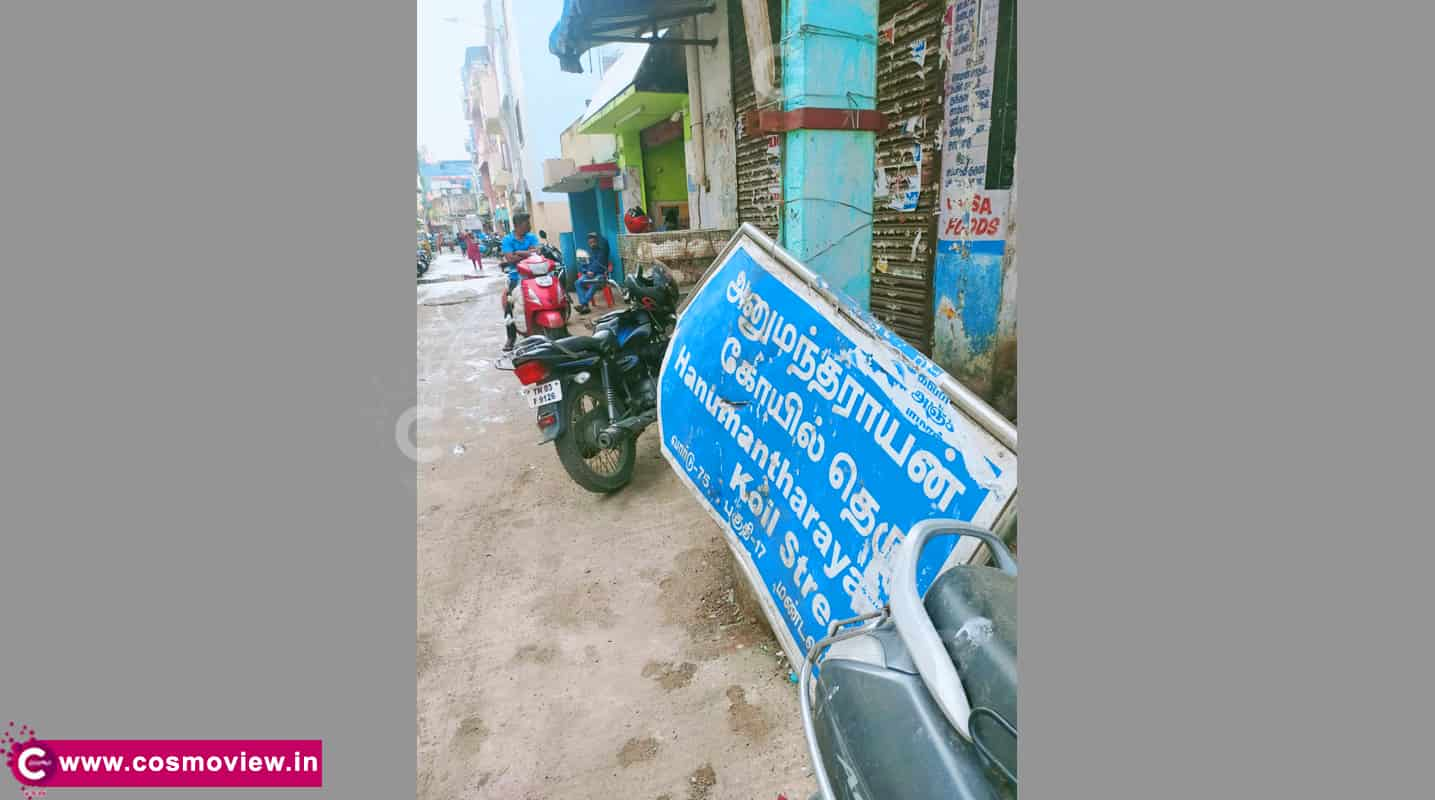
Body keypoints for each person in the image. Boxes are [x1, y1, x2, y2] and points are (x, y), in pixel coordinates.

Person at [500, 213, 541, 351]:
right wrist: (529, 252)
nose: (529, 226)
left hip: (537, 272)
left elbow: (538, 252)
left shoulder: (532, 236)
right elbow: (510, 259)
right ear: (518, 225)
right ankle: (511, 337)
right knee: (509, 302)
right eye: (527, 223)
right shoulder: (507, 239)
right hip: (516, 275)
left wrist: (519, 252)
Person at [575, 231, 612, 314]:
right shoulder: (588, 253)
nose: (592, 243)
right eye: (590, 242)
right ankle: (585, 305)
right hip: (588, 275)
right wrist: (586, 271)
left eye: (594, 241)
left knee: (594, 283)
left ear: (597, 241)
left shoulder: (603, 251)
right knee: (578, 282)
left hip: (600, 275)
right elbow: (582, 266)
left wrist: (598, 235)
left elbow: (605, 243)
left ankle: (584, 304)